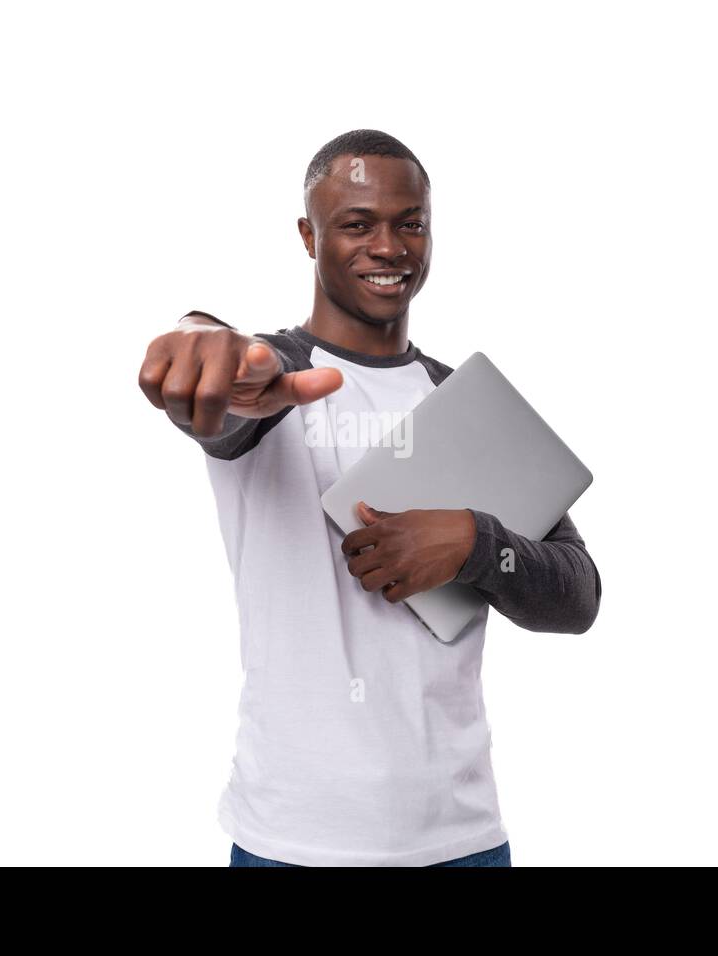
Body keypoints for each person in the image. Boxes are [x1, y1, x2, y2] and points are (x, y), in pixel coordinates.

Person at [138, 130, 602, 867]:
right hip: (289, 840)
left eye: (409, 222)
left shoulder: (463, 400)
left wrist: (477, 544)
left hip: (463, 838)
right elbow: (225, 387)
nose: (389, 246)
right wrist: (200, 336)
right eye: (356, 223)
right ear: (308, 235)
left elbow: (578, 596)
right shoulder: (273, 379)